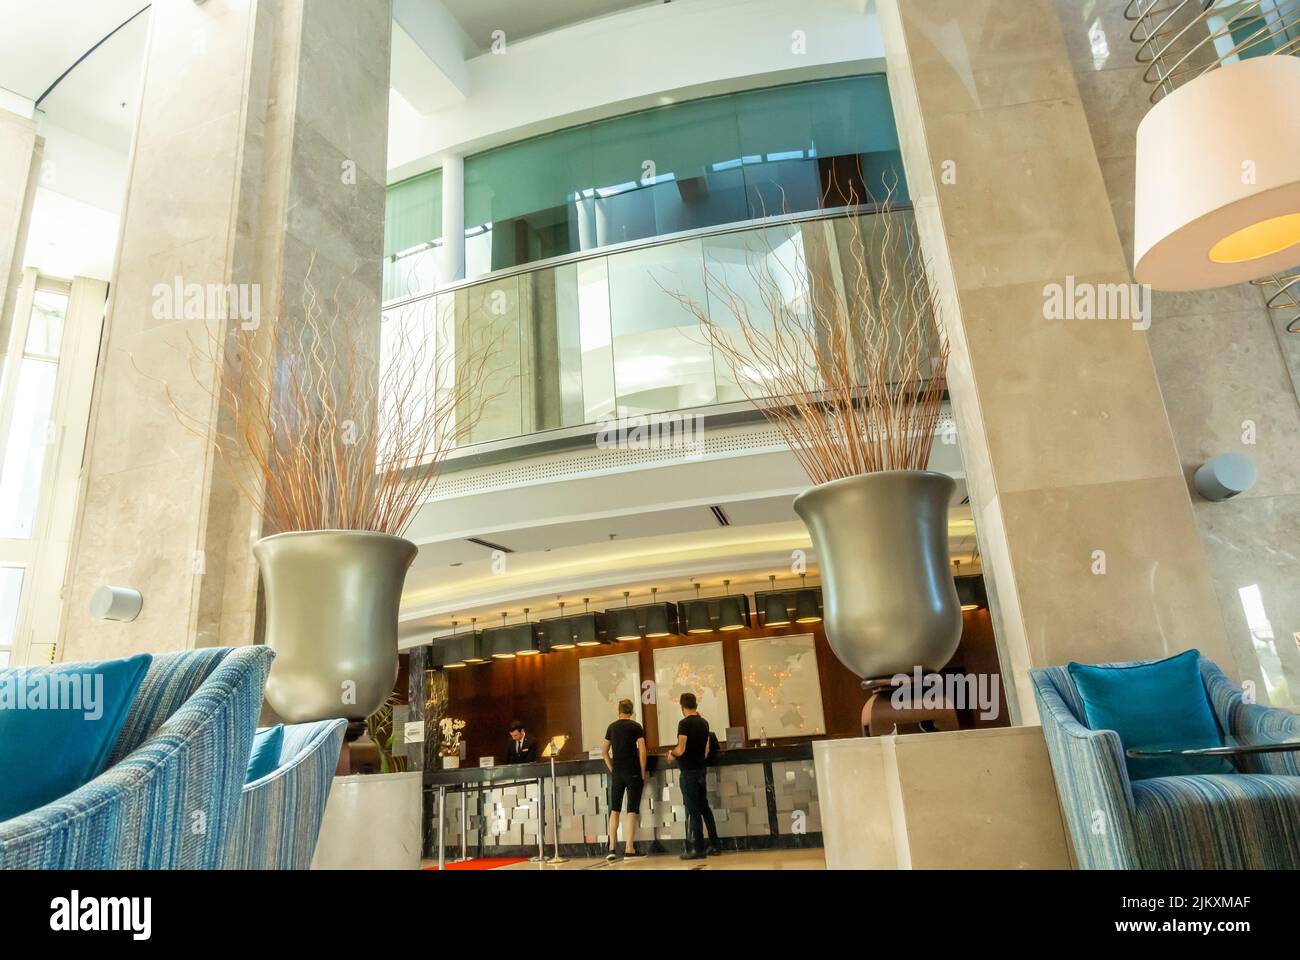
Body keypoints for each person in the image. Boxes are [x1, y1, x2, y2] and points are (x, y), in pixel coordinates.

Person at [665, 691, 721, 859]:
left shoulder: (684, 724)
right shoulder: (704, 723)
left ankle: (697, 849)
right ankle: (715, 845)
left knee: (693, 810)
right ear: (695, 704)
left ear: (682, 707)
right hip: (701, 770)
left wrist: (671, 754)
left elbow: (681, 748)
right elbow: (706, 750)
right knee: (704, 808)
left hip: (688, 772)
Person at [602, 699, 648, 860]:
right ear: (632, 711)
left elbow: (604, 751)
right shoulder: (636, 727)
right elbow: (642, 751)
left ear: (618, 710)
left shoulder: (611, 727)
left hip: (617, 773)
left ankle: (612, 848)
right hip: (633, 771)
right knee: (631, 810)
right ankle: (629, 848)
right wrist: (642, 771)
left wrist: (612, 769)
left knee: (614, 810)